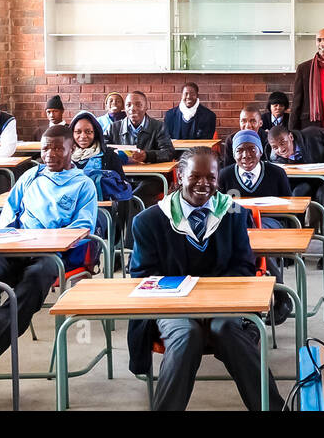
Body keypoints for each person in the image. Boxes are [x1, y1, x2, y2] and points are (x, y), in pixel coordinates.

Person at [126, 148, 282, 411]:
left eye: (210, 177)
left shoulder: (233, 214)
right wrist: (186, 298)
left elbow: (244, 267)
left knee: (227, 329)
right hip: (173, 308)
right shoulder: (150, 221)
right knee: (185, 335)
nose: (204, 184)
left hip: (224, 305)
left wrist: (210, 299)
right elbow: (143, 276)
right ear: (179, 176)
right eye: (195, 176)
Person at [0, 125, 98, 367]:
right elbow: (10, 210)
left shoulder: (83, 184)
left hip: (53, 253)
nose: (51, 154)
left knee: (32, 284)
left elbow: (82, 227)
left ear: (72, 149)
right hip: (17, 245)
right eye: (46, 148)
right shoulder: (31, 176)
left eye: (59, 148)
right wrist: (7, 238)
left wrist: (47, 240)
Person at [71, 110, 132, 239]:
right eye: (78, 132)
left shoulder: (108, 156)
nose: (83, 136)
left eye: (88, 132)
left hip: (100, 210)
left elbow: (121, 187)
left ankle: (91, 256)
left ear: (96, 133)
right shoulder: (65, 156)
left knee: (89, 226)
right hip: (69, 209)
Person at [220, 129, 293, 228]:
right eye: (239, 151)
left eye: (252, 149)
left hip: (271, 222)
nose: (246, 155)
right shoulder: (224, 175)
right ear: (233, 155)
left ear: (261, 152)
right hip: (236, 222)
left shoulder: (277, 173)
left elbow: (290, 209)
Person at [267, 123, 324, 200]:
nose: (281, 150)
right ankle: (297, 214)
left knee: (323, 193)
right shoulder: (276, 159)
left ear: (291, 137)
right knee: (297, 193)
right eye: (275, 147)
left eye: (283, 143)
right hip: (306, 180)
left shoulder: (312, 134)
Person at [112, 91, 175, 163]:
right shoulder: (113, 128)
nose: (132, 109)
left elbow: (169, 153)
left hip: (150, 173)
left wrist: (148, 156)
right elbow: (101, 150)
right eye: (128, 105)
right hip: (122, 172)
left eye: (138, 105)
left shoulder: (159, 127)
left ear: (146, 107)